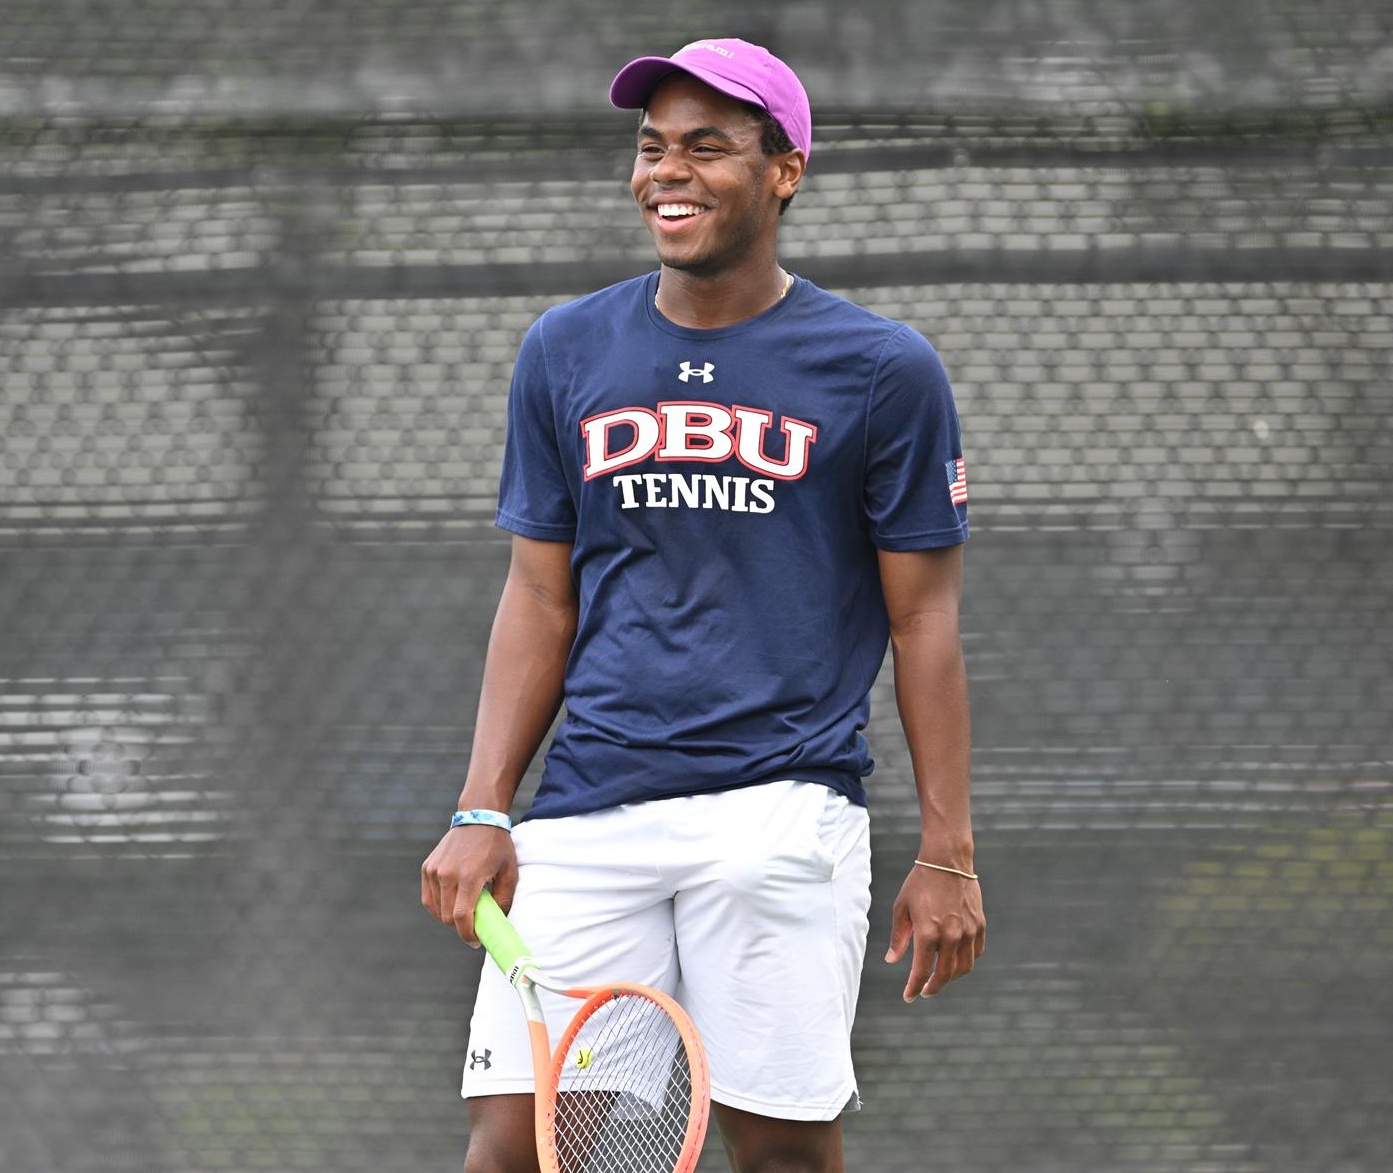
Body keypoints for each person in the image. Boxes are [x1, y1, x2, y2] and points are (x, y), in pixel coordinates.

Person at [419, 37, 986, 1173]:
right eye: (651, 148)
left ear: (783, 171)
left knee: (776, 1150)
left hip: (778, 810)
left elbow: (923, 623)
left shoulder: (879, 369)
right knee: (516, 1150)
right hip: (586, 811)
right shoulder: (566, 349)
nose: (665, 173)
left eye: (707, 148)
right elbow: (539, 592)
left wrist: (948, 851)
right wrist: (484, 808)